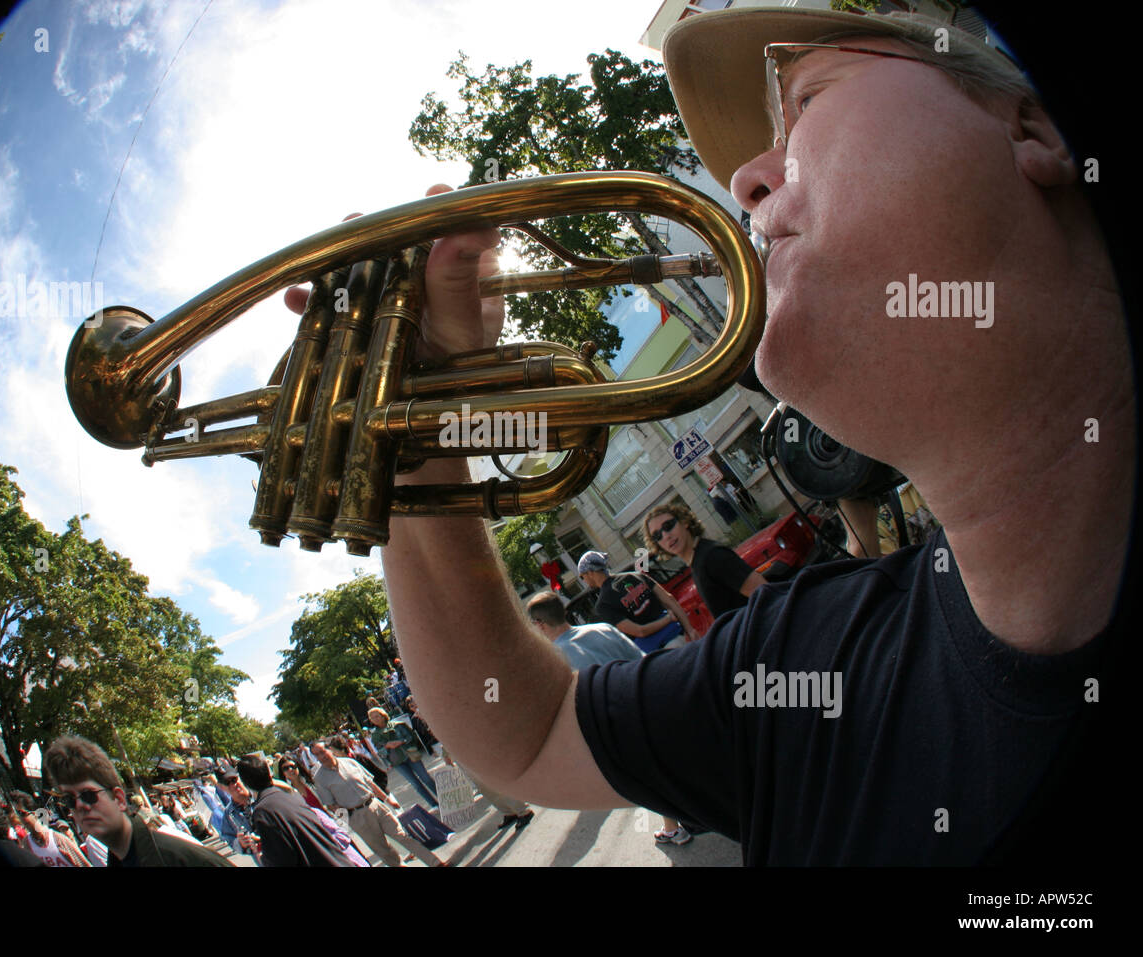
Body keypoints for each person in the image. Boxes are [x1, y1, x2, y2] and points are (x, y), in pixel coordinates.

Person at [332, 6, 1129, 865]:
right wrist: (416, 431)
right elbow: (527, 734)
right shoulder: (801, 655)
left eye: (809, 100)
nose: (749, 179)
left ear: (1029, 129)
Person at [527, 590, 686, 845]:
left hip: (616, 728)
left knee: (649, 780)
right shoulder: (602, 628)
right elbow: (640, 660)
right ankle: (680, 820)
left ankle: (677, 825)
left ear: (540, 624)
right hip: (646, 703)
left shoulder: (553, 661)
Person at [43, 735, 231, 867]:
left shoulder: (180, 858)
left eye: (88, 795)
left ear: (118, 799)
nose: (81, 806)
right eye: (70, 800)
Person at [311, 737, 447, 867]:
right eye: (317, 755)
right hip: (357, 816)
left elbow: (370, 783)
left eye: (322, 751)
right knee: (384, 851)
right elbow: (331, 805)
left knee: (403, 836)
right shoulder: (320, 779)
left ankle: (435, 863)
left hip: (375, 805)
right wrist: (347, 820)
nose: (321, 756)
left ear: (330, 749)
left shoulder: (349, 762)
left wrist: (387, 800)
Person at [643, 500, 766, 623]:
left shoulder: (712, 556)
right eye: (657, 535)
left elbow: (765, 593)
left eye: (668, 526)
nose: (666, 536)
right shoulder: (697, 563)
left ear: (684, 522)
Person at [233, 755, 360, 866]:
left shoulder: (263, 812)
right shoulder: (289, 797)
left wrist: (259, 853)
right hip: (337, 859)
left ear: (246, 783)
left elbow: (281, 859)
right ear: (268, 773)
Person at [576, 550, 697, 653]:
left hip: (660, 652)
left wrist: (667, 619)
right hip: (679, 635)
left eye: (582, 576)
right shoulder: (636, 576)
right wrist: (690, 630)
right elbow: (669, 599)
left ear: (590, 572)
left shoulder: (603, 604)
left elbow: (640, 631)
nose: (584, 580)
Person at [367, 706, 440, 810]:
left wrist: (402, 741)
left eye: (377, 716)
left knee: (426, 778)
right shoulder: (375, 736)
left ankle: (442, 797)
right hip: (397, 762)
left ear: (382, 715)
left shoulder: (398, 725)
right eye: (372, 718)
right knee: (415, 784)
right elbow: (381, 753)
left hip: (410, 755)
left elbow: (412, 737)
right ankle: (433, 804)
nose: (375, 719)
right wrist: (387, 746)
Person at [20, 806, 91, 867]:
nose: (28, 827)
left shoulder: (57, 838)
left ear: (35, 815)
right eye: (25, 825)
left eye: (28, 823)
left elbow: (81, 863)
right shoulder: (27, 843)